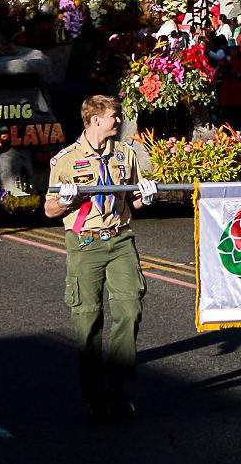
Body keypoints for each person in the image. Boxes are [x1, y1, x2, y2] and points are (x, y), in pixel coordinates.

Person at [44, 95, 159, 419]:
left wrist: (146, 197)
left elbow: (134, 202)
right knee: (88, 320)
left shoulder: (125, 155)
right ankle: (94, 394)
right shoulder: (66, 160)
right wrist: (65, 201)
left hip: (120, 239)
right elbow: (49, 209)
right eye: (114, 116)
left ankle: (117, 387)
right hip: (85, 244)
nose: (118, 121)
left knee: (130, 309)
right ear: (95, 121)